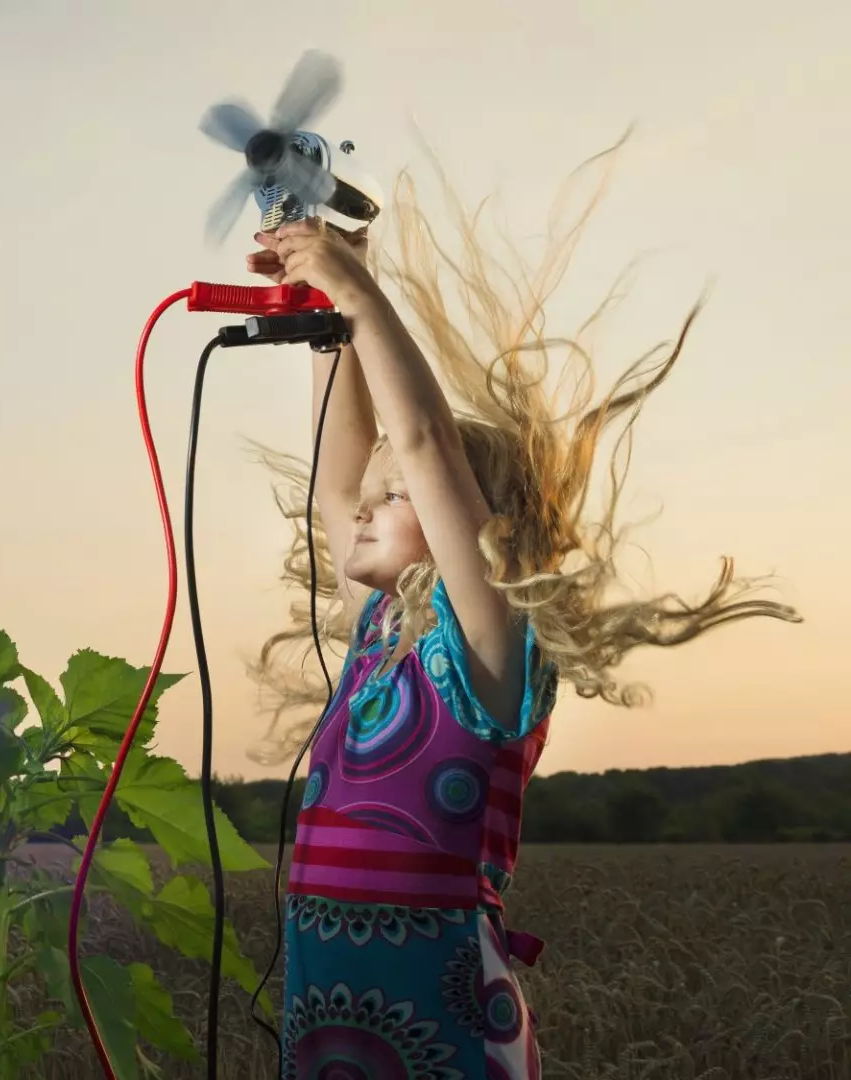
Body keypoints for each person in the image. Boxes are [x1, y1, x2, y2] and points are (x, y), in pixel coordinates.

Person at [240, 144, 800, 1078]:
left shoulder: (492, 648)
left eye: (399, 495)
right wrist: (333, 311)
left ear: (477, 525)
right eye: (378, 494)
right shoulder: (381, 637)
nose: (365, 508)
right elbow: (341, 476)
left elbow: (418, 442)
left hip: (447, 1043)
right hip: (332, 1033)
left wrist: (364, 293)